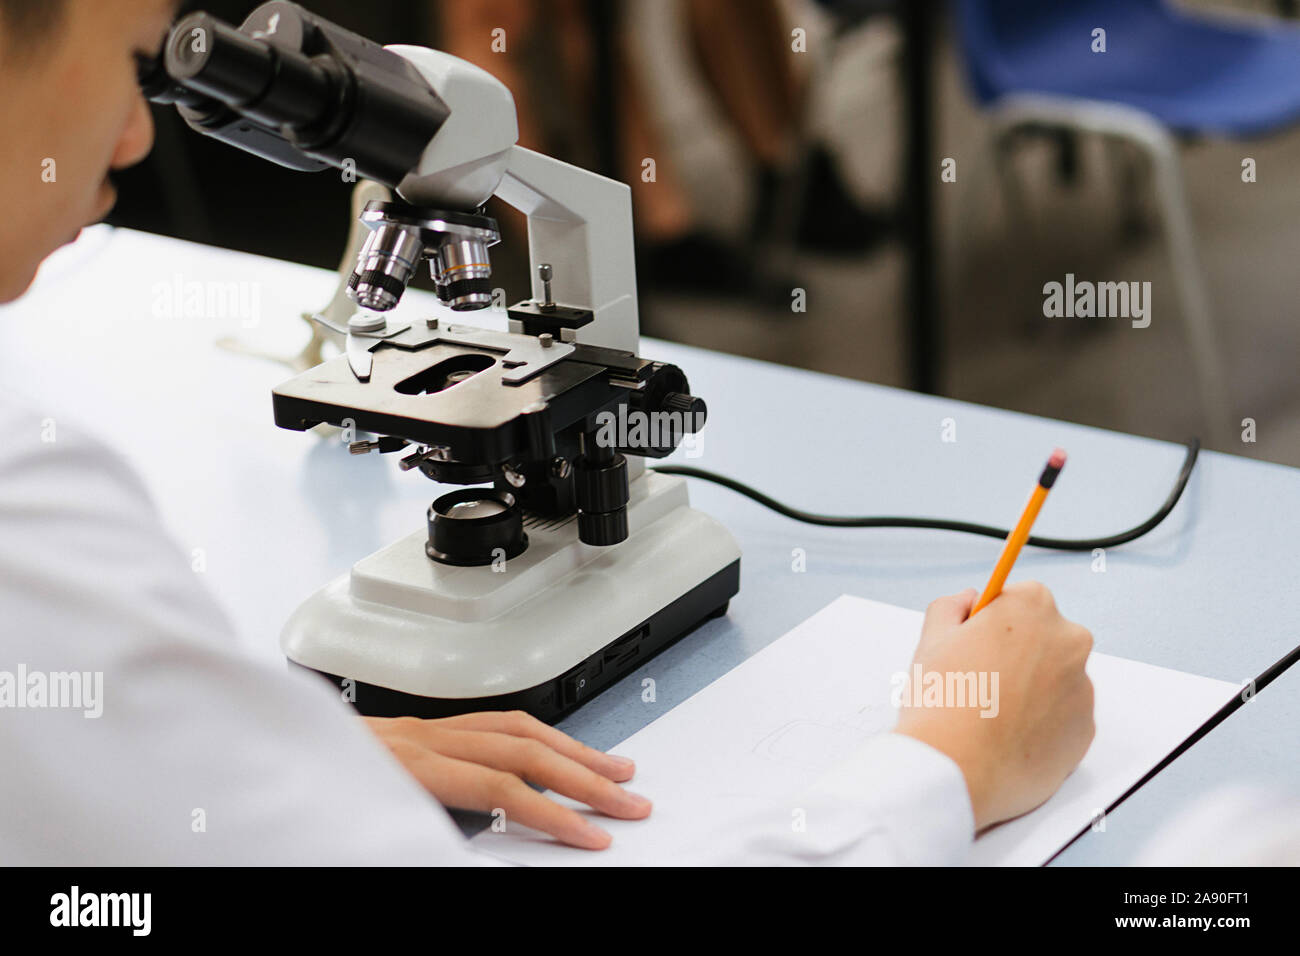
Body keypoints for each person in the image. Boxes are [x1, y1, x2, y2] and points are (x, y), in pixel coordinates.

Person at [0, 0, 1095, 865]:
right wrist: (945, 767)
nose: (138, 131)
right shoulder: (33, 523)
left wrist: (264, 753)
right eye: (130, 60)